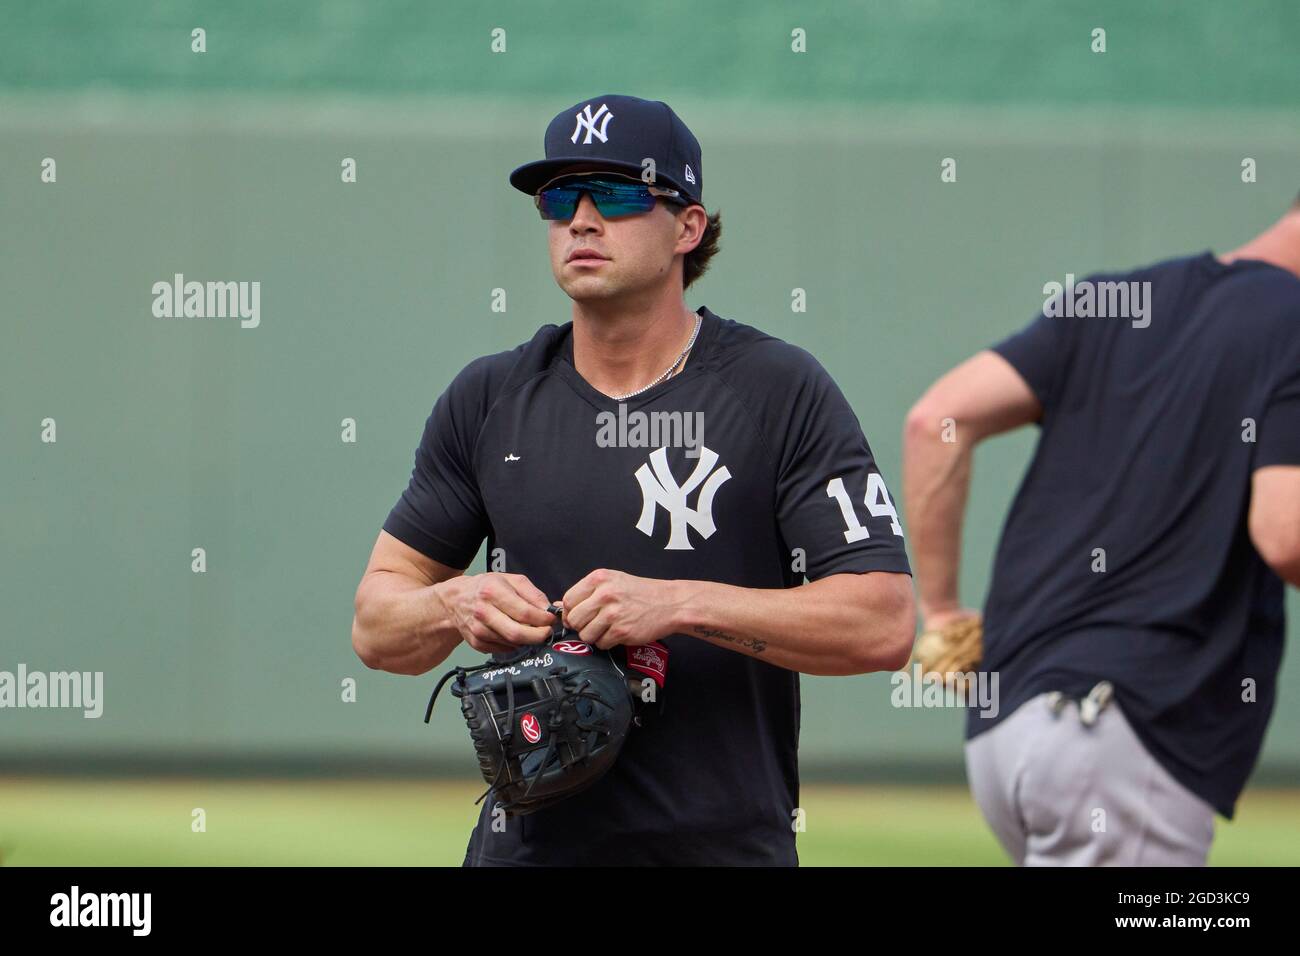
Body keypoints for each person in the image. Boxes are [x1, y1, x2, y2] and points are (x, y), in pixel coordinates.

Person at [351, 94, 915, 866]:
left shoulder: (777, 390)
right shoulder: (490, 398)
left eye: (614, 194)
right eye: (558, 199)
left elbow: (882, 622)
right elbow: (376, 626)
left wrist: (678, 602)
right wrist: (454, 602)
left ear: (688, 226)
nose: (581, 219)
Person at [902, 195, 1300, 865]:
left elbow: (937, 420)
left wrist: (940, 613)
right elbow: (1284, 533)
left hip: (1008, 730)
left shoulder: (1115, 298)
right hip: (1120, 736)